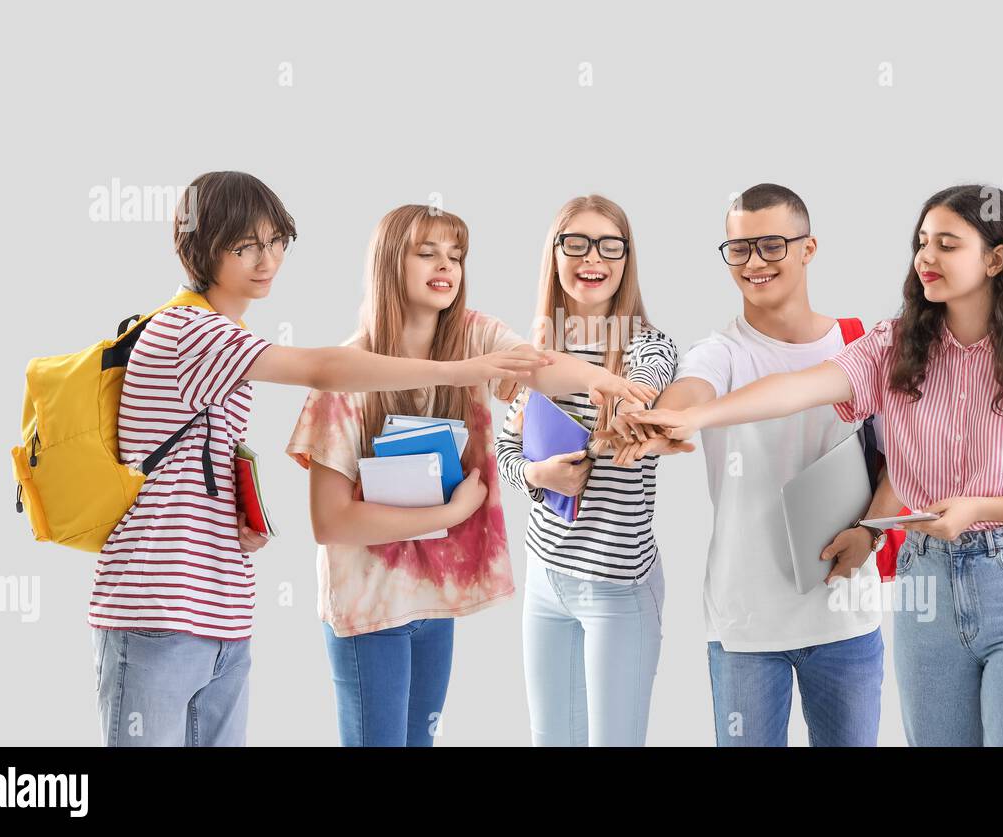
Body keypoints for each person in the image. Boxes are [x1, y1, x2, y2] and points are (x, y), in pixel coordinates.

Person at [613, 184, 1003, 747]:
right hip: (926, 583)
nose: (926, 257)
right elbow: (794, 389)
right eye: (921, 243)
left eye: (947, 244)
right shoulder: (897, 345)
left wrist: (981, 507)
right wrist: (693, 419)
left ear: (996, 258)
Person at [90, 172, 546, 747]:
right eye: (245, 245)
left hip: (220, 612)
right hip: (157, 608)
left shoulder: (231, 342)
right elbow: (327, 370)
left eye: (276, 242)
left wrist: (235, 520)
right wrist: (458, 372)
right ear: (199, 247)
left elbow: (194, 463)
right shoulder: (190, 330)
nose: (268, 260)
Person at [285, 203, 655, 747]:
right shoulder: (347, 372)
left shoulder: (475, 336)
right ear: (389, 263)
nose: (446, 266)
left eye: (456, 256)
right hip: (369, 604)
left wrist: (606, 382)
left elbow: (535, 366)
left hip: (435, 598)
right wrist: (453, 513)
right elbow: (330, 522)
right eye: (427, 252)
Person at [611, 182, 897, 746]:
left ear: (808, 249)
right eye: (738, 249)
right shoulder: (718, 351)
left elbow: (904, 460)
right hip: (745, 627)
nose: (753, 263)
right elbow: (691, 391)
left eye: (771, 245)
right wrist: (660, 420)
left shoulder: (862, 345)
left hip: (845, 617)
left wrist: (871, 531)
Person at [496, 194, 678, 746]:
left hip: (617, 587)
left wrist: (624, 410)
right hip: (545, 579)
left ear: (626, 260)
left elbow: (642, 392)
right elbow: (506, 453)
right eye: (575, 243)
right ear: (555, 255)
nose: (591, 258)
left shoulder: (648, 346)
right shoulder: (533, 353)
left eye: (608, 245)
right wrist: (538, 476)